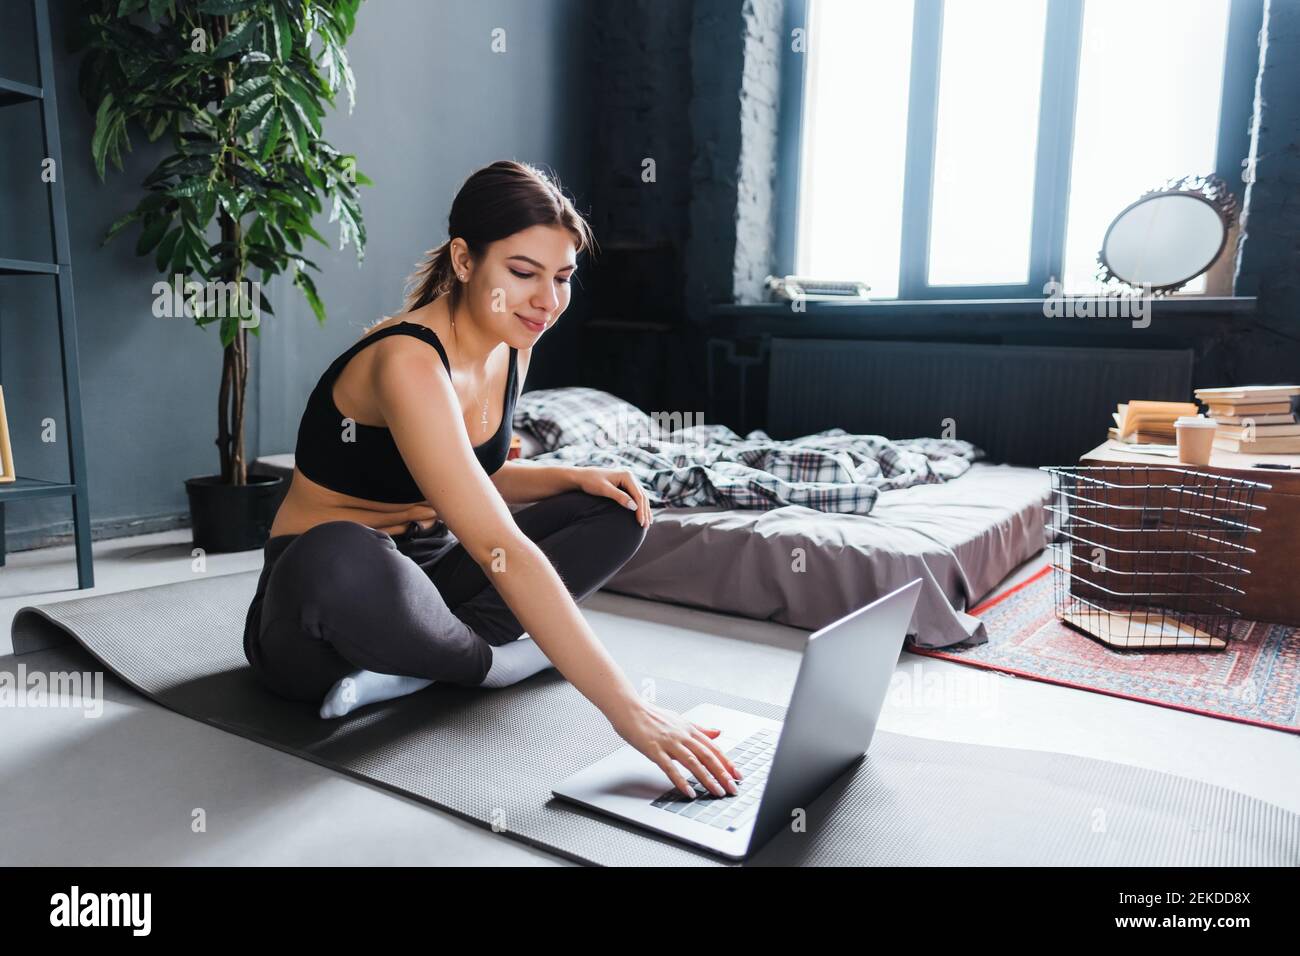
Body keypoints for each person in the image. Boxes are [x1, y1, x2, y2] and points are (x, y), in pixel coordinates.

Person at [242, 160, 740, 800]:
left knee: (615, 507)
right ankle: (492, 666)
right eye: (524, 273)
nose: (547, 300)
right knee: (340, 554)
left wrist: (575, 476)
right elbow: (496, 544)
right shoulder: (407, 360)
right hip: (321, 607)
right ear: (464, 260)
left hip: (431, 576)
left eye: (562, 278)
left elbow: (478, 472)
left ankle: (414, 665)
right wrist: (628, 711)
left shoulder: (513, 341)